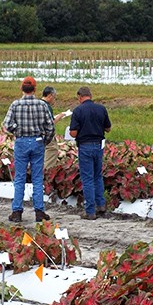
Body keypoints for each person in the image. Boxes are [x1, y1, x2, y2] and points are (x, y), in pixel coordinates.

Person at [3, 77, 55, 222]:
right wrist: (45, 140)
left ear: (22, 89)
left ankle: (17, 211)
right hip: (38, 141)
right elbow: (50, 126)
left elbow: (7, 124)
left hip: (21, 141)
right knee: (37, 178)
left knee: (20, 177)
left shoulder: (15, 104)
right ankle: (39, 211)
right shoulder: (41, 104)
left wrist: (17, 130)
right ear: (35, 89)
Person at [69, 86, 112, 220]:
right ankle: (101, 206)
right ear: (90, 95)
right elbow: (108, 128)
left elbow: (73, 132)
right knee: (97, 176)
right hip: (99, 146)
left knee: (87, 179)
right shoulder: (101, 109)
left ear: (80, 97)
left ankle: (90, 211)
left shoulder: (78, 111)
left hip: (85, 146)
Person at [41, 86, 69, 170]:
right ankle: (47, 173)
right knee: (52, 150)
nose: (54, 100)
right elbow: (51, 123)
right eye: (54, 97)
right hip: (47, 134)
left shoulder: (38, 103)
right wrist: (60, 116)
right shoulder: (47, 106)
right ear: (50, 95)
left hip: (37, 134)